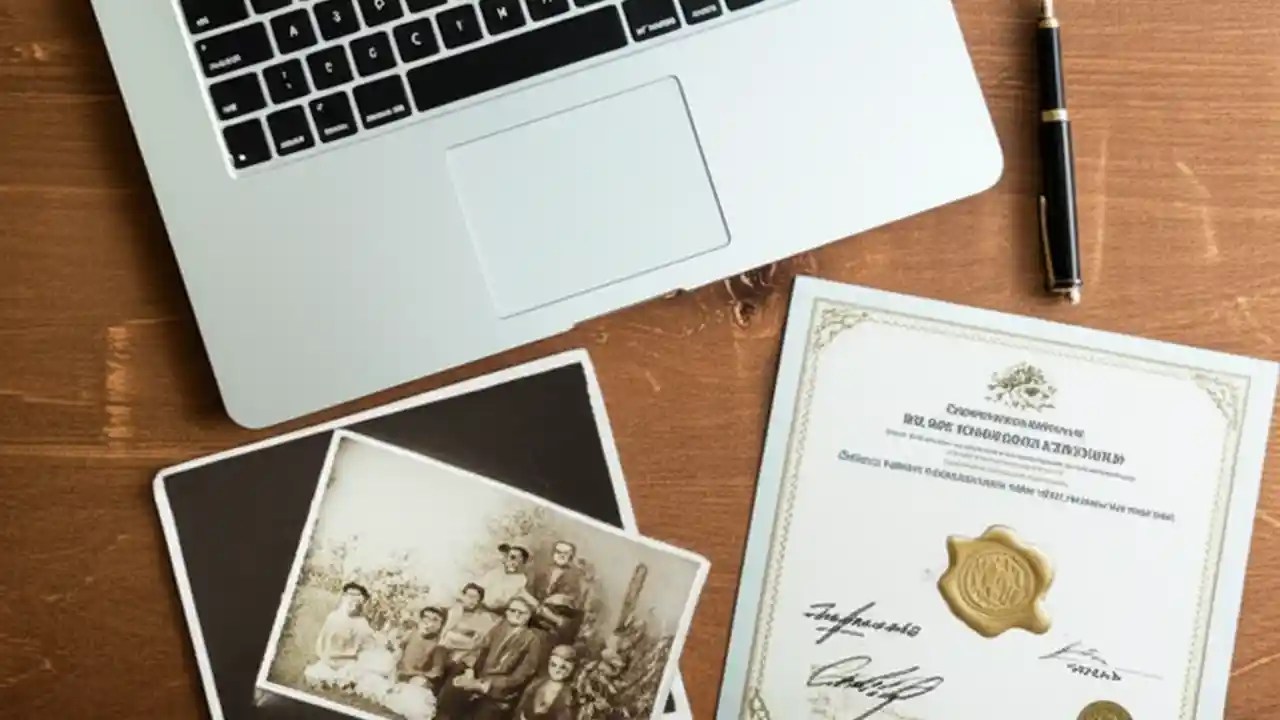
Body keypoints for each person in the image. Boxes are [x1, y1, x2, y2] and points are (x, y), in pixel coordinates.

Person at [436, 598, 546, 720]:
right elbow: (480, 649)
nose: (516, 615)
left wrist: (486, 685)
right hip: (478, 679)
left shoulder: (532, 640)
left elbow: (521, 676)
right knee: (451, 692)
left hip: (499, 692)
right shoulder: (499, 629)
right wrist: (470, 671)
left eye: (521, 612)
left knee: (484, 713)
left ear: (529, 616)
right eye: (513, 611)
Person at [303, 582, 377, 689]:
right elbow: (324, 643)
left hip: (341, 660)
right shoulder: (336, 617)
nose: (353, 601)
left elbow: (368, 644)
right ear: (345, 598)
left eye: (357, 598)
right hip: (339, 660)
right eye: (350, 596)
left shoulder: (359, 621)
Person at [527, 540, 586, 646]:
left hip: (554, 627)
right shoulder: (541, 572)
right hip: (532, 618)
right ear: (553, 553)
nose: (561, 556)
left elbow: (575, 606)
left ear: (571, 557)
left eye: (566, 554)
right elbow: (530, 592)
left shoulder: (576, 577)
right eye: (558, 552)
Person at [514, 645, 577, 720]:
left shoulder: (570, 696)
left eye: (563, 667)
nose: (556, 670)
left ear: (572, 668)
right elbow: (519, 710)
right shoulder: (535, 684)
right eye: (553, 665)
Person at [441, 583, 497, 666]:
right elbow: (444, 636)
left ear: (479, 601)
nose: (472, 601)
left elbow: (482, 642)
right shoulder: (454, 611)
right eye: (469, 596)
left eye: (476, 598)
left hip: (467, 659)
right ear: (463, 596)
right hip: (446, 653)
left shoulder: (484, 617)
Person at [398, 606, 449, 689]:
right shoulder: (412, 634)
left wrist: (414, 674)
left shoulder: (439, 646)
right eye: (426, 618)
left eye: (435, 620)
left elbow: (435, 674)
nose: (429, 623)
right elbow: (399, 652)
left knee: (419, 682)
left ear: (441, 625)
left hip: (417, 683)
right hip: (399, 675)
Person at [476, 543, 531, 616]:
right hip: (481, 610)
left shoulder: (521, 580)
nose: (509, 560)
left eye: (513, 557)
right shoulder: (495, 572)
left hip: (499, 614)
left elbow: (501, 602)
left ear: (523, 561)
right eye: (508, 556)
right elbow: (478, 588)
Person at [573, 648, 627, 720]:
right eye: (612, 667)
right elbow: (580, 682)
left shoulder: (612, 684)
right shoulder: (591, 669)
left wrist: (609, 708)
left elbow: (616, 702)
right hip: (585, 704)